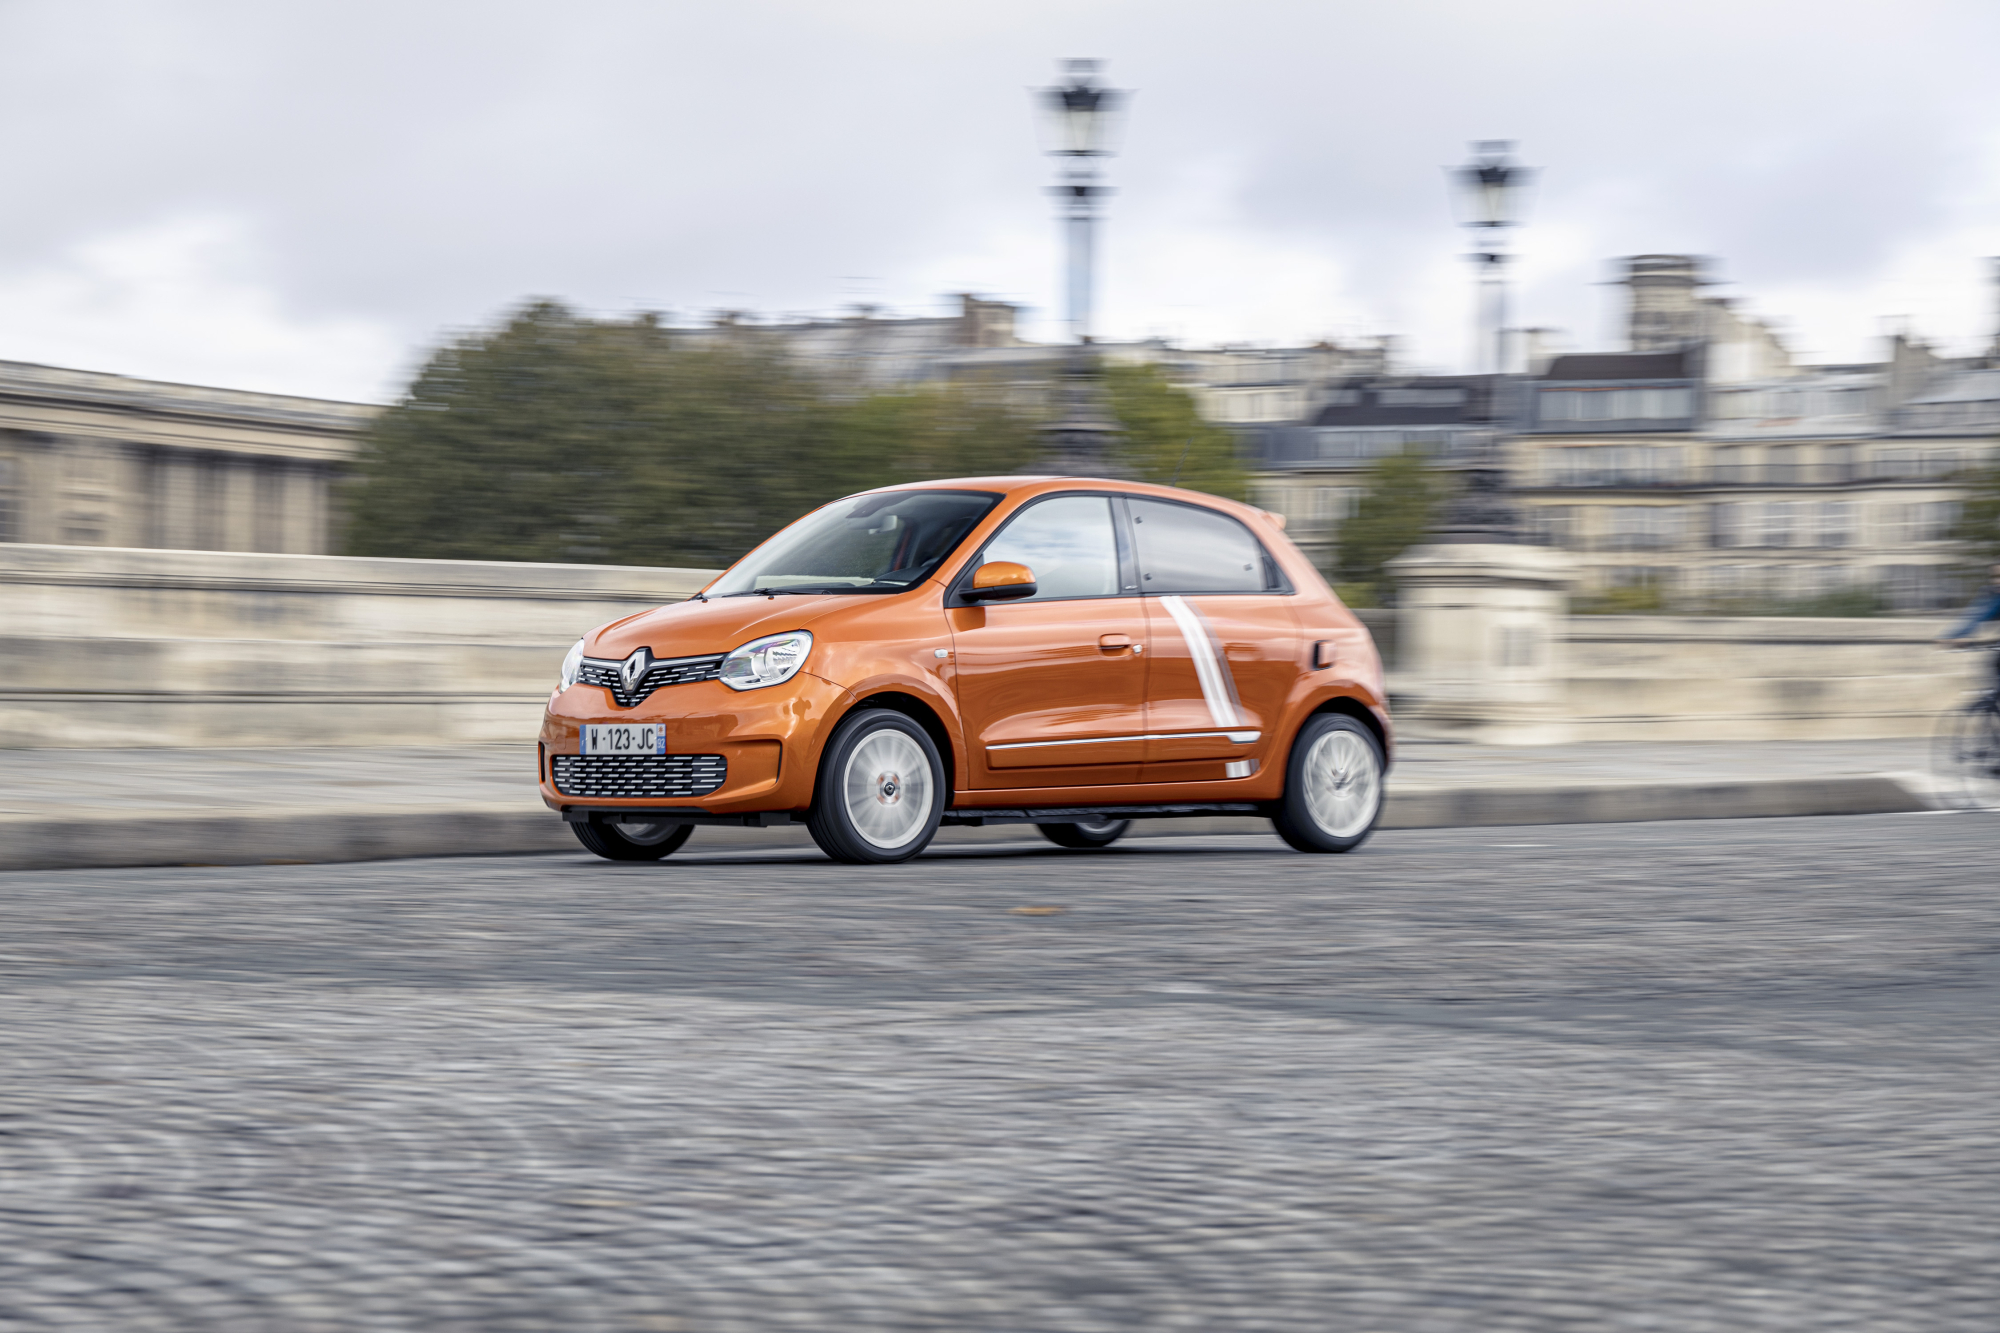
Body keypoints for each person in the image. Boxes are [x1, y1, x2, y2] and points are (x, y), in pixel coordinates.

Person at [1937, 561, 2000, 694]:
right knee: (1992, 667)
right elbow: (1977, 614)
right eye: (1994, 577)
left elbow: (1985, 614)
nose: (1996, 581)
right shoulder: (1992, 594)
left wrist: (1961, 635)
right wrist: (1954, 635)